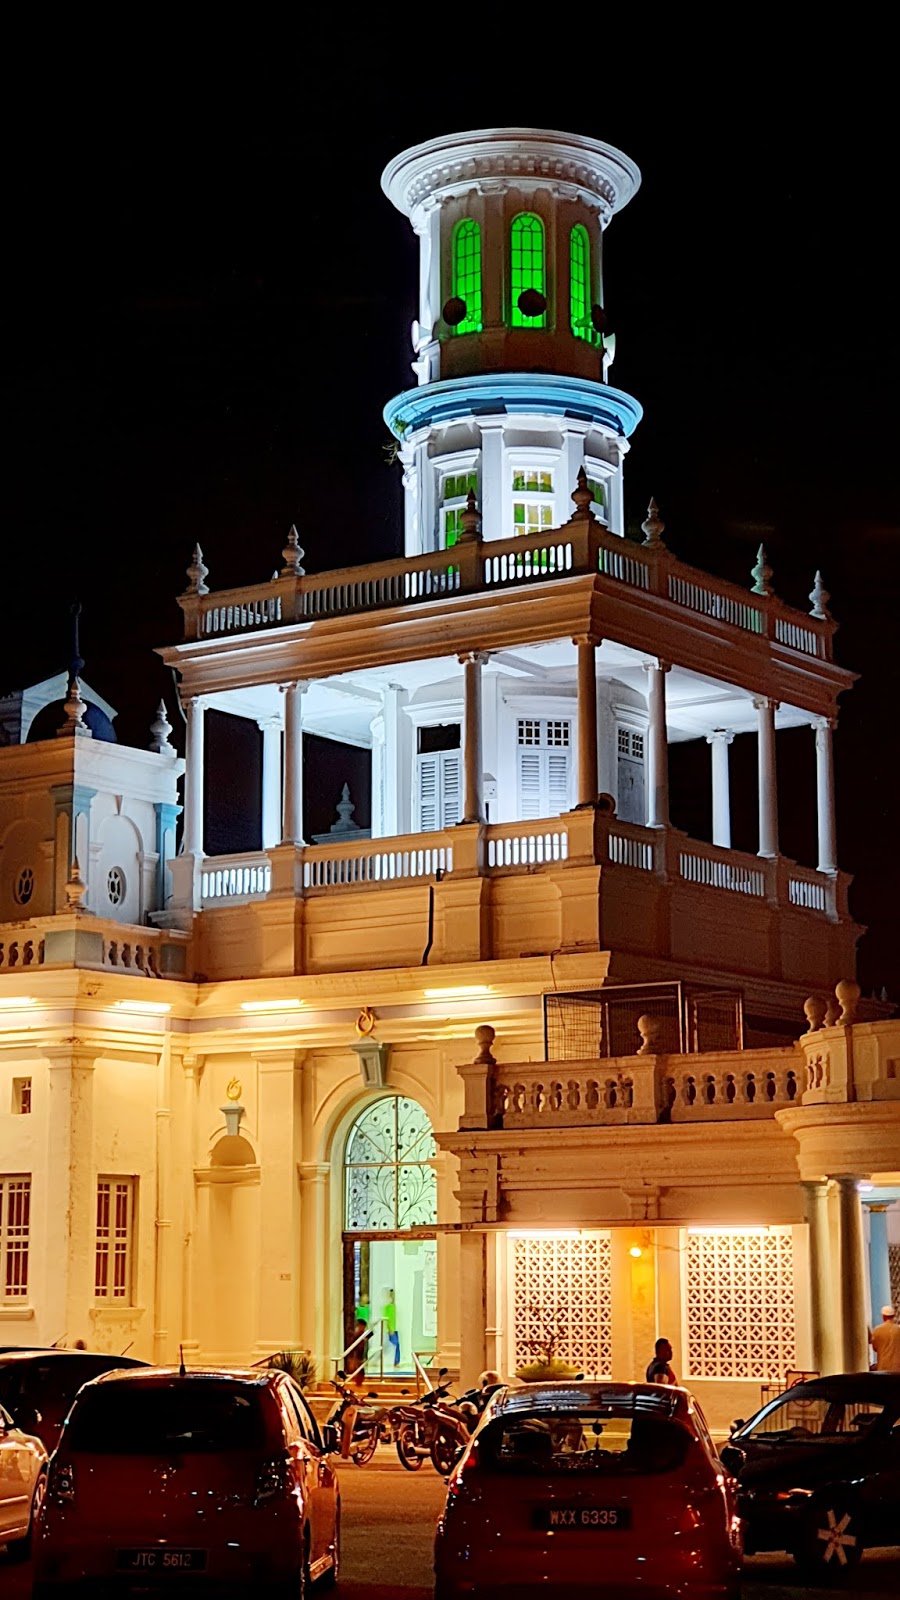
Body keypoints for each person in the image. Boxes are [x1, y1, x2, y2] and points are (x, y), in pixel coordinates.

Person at [870, 1305, 900, 1372]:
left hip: (883, 1367)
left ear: (883, 1316)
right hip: (897, 1368)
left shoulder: (877, 1330)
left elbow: (875, 1348)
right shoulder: (898, 1329)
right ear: (893, 1316)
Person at [383, 1288, 400, 1367]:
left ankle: (397, 1361)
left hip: (397, 1328)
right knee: (395, 1344)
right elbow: (386, 1320)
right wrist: (389, 1329)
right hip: (391, 1329)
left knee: (398, 1345)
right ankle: (395, 1361)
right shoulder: (387, 1308)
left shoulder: (396, 1306)